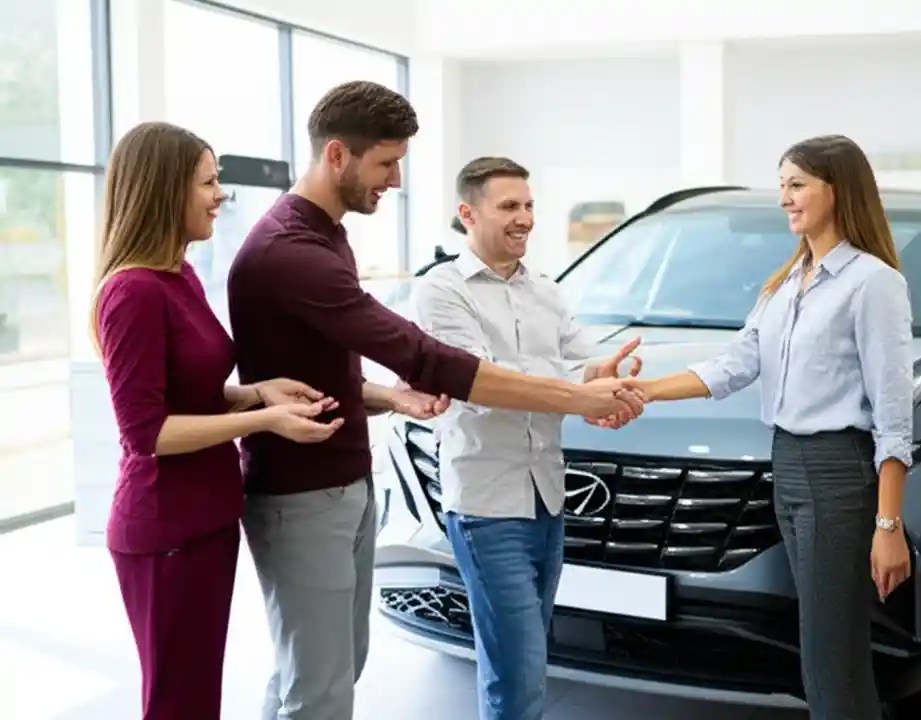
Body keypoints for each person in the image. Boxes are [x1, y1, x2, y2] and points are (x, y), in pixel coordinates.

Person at [226, 81, 644, 720]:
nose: (395, 180)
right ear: (337, 155)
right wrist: (576, 396)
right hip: (306, 493)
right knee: (319, 688)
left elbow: (313, 371)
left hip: (343, 482)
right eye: (387, 163)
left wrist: (386, 397)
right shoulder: (292, 249)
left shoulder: (325, 236)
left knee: (320, 674)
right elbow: (431, 359)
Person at [633, 134, 914, 720]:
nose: (784, 198)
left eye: (797, 185)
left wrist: (888, 525)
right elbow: (735, 365)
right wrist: (645, 390)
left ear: (838, 190)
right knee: (819, 652)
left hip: (837, 472)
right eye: (781, 185)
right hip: (787, 466)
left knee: (833, 659)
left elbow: (893, 415)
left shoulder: (872, 283)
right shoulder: (787, 282)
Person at [91, 121, 344, 720]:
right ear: (163, 190)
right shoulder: (132, 293)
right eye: (208, 182)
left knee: (198, 694)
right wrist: (263, 421)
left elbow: (192, 391)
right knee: (179, 703)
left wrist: (255, 393)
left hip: (207, 517)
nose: (220, 195)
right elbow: (147, 434)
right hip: (164, 529)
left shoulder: (179, 276)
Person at [413, 156, 642, 720]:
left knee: (530, 661)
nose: (525, 219)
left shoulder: (545, 290)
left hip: (547, 499)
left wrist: (606, 377)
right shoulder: (442, 290)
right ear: (467, 214)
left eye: (530, 205)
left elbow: (579, 360)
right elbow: (483, 385)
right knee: (516, 676)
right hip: (488, 506)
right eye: (509, 206)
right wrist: (580, 392)